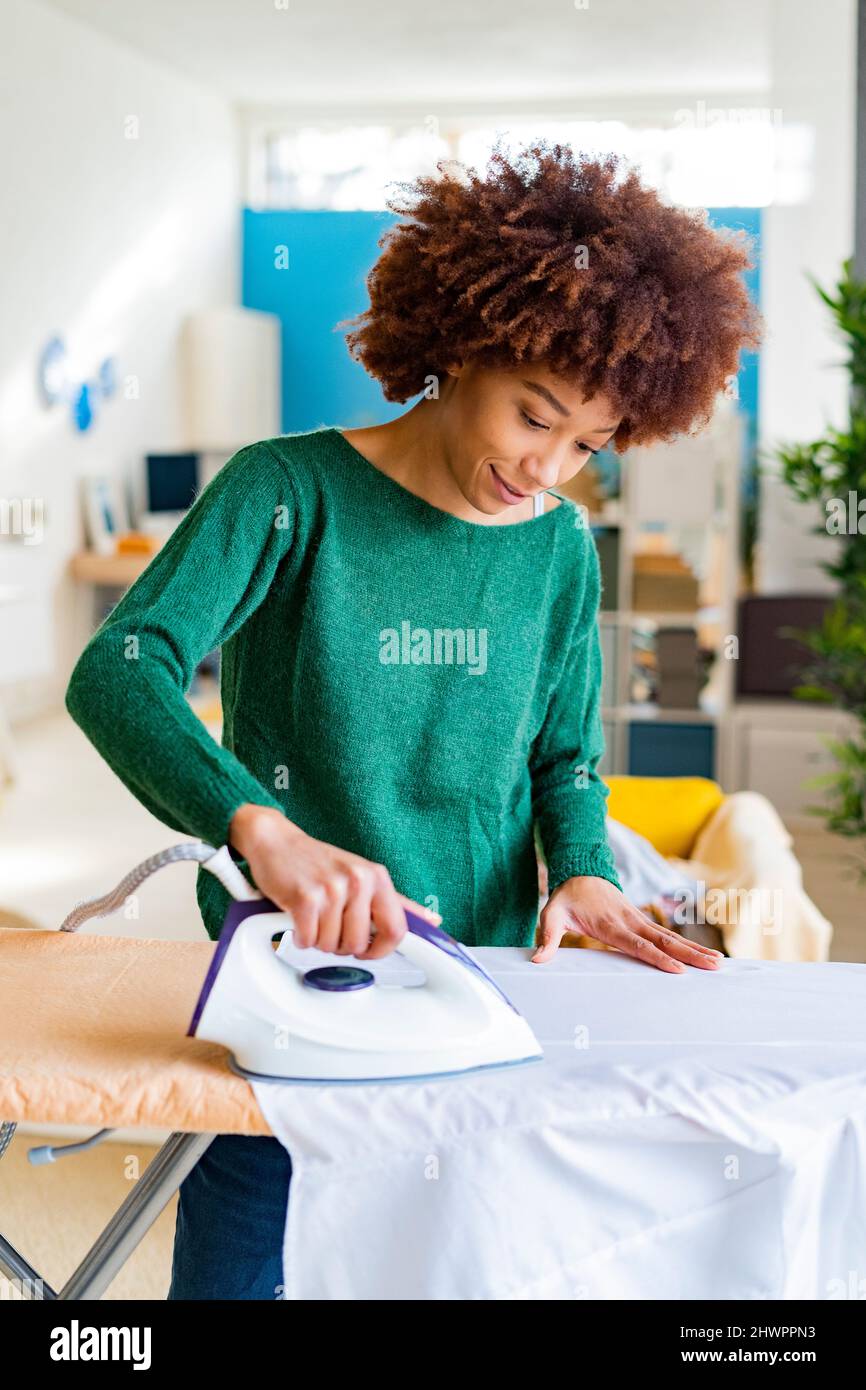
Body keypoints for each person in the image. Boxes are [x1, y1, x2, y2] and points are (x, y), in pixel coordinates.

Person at [65, 141, 763, 1299]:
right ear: (457, 345)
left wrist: (580, 869)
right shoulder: (286, 492)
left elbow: (564, 755)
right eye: (533, 415)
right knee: (240, 1273)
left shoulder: (553, 552)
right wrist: (260, 829)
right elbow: (121, 667)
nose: (545, 468)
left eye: (586, 444)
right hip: (297, 996)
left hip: (480, 990)